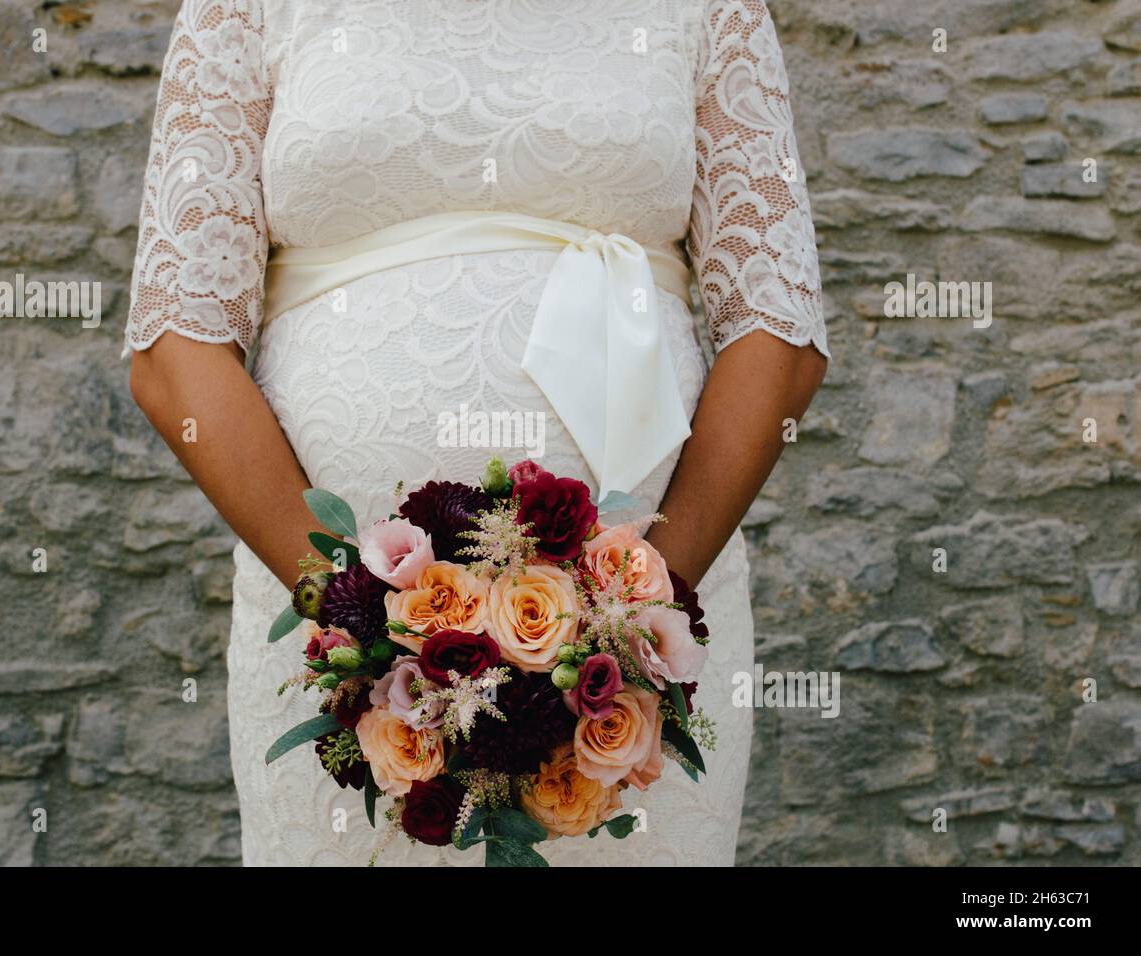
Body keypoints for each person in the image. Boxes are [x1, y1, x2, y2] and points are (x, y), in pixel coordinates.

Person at [126, 0, 828, 865]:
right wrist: (360, 641)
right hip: (332, 651)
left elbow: (779, 327)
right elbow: (175, 346)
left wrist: (632, 623)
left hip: (641, 653)